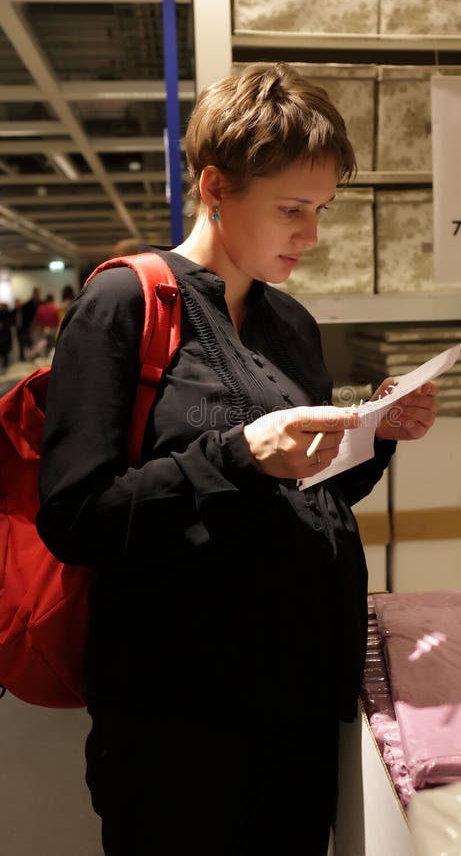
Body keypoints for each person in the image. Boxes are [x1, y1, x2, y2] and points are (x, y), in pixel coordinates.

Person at [36, 62, 439, 856]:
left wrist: (377, 433)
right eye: (291, 209)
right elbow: (76, 517)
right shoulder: (124, 304)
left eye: (319, 210)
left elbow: (308, 491)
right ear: (216, 186)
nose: (310, 235)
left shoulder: (290, 324)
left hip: (299, 710)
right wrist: (240, 456)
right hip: (179, 728)